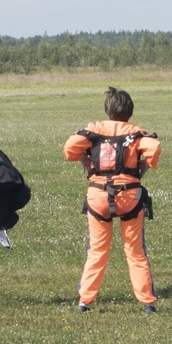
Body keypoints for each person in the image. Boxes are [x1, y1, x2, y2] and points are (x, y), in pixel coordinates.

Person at [64, 86, 161, 313]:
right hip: (129, 196)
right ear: (130, 111)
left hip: (98, 195)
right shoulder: (137, 132)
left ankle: (85, 301)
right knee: (135, 251)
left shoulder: (94, 129)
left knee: (97, 250)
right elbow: (154, 147)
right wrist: (145, 166)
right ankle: (147, 302)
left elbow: (69, 149)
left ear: (108, 110)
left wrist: (85, 161)